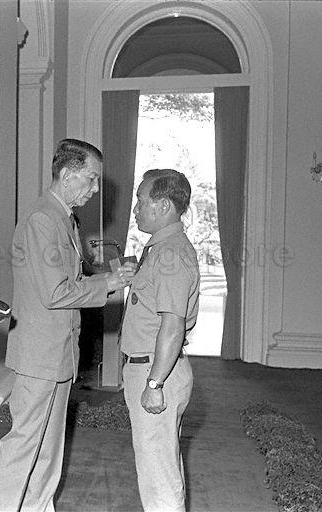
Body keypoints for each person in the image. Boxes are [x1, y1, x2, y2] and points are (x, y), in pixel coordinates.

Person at [0, 138, 136, 511]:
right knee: (24, 445)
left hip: (58, 352)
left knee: (49, 448)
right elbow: (56, 292)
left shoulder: (61, 218)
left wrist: (105, 274)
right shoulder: (42, 220)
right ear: (67, 175)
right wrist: (110, 283)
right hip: (39, 354)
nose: (96, 189)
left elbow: (67, 280)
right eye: (91, 179)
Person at [120, 168, 200, 512]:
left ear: (164, 205)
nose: (135, 208)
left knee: (159, 479)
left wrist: (154, 384)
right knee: (162, 465)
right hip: (155, 368)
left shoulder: (169, 254)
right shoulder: (162, 248)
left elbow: (172, 326)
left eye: (141, 200)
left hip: (157, 372)